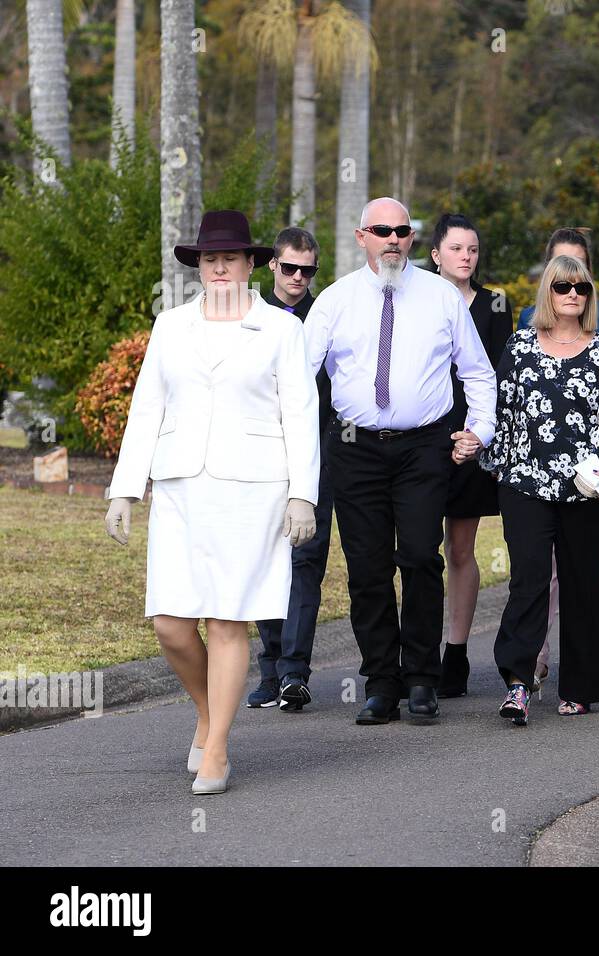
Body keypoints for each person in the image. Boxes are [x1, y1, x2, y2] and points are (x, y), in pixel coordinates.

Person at [103, 209, 320, 794]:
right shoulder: (171, 326)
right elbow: (147, 408)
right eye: (209, 259)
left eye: (230, 258)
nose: (219, 267)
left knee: (227, 618)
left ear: (251, 264)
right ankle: (206, 712)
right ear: (199, 266)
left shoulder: (281, 330)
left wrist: (304, 494)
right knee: (170, 623)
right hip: (179, 488)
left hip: (253, 489)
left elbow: (300, 416)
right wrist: (125, 488)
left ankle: (217, 746)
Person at [303, 197, 496, 726]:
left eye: (402, 230)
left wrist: (478, 430)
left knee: (418, 556)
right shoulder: (335, 300)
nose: (393, 238)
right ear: (361, 235)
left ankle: (422, 679)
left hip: (423, 447)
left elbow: (478, 372)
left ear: (412, 239)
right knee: (366, 568)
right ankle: (381, 682)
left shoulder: (440, 298)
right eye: (381, 230)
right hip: (354, 447)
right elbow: (298, 376)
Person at [480, 254, 599, 725]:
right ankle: (519, 683)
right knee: (528, 580)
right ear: (547, 291)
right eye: (563, 286)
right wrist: (484, 455)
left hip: (586, 487)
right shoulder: (521, 346)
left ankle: (581, 687)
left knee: (583, 585)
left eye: (581, 288)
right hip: (525, 483)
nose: (572, 294)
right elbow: (502, 413)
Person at [518, 228, 599, 694]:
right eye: (561, 275)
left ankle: (579, 675)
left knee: (587, 573)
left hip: (596, 471)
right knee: (539, 574)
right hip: (539, 475)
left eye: (579, 276)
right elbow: (519, 399)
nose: (570, 286)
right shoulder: (527, 321)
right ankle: (536, 660)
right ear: (548, 275)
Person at [428, 214, 513, 699]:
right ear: (437, 254)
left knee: (459, 548)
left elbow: (497, 374)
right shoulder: (414, 298)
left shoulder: (495, 304)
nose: (466, 257)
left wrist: (479, 434)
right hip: (420, 435)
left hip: (473, 439)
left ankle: (455, 652)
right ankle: (412, 653)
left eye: (473, 249)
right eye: (457, 248)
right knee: (416, 550)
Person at [248, 226, 332, 712]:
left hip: (320, 450)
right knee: (266, 557)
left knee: (306, 559)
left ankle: (294, 674)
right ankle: (271, 666)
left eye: (308, 270)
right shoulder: (251, 319)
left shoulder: (323, 317)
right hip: (261, 454)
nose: (299, 277)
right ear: (272, 267)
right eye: (290, 268)